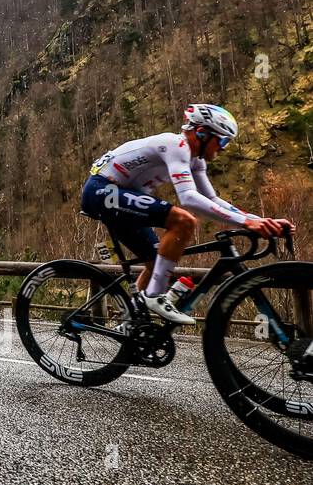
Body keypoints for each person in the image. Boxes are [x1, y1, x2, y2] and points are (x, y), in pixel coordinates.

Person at [83, 103, 293, 325]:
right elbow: (188, 198)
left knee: (157, 261)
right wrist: (245, 222)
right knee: (183, 221)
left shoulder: (196, 161)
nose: (223, 148)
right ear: (201, 133)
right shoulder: (176, 144)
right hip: (102, 191)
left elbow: (212, 199)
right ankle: (154, 297)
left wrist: (257, 220)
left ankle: (131, 327)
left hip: (121, 195)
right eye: (222, 140)